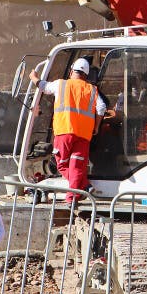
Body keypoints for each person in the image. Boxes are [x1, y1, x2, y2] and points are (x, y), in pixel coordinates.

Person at [29, 57, 106, 202]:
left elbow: (44, 87)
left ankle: (83, 187)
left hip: (64, 131)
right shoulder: (92, 89)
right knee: (76, 167)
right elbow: (101, 108)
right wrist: (96, 126)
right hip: (84, 135)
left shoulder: (61, 85)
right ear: (86, 75)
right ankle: (74, 196)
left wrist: (34, 78)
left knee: (62, 164)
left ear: (71, 72)